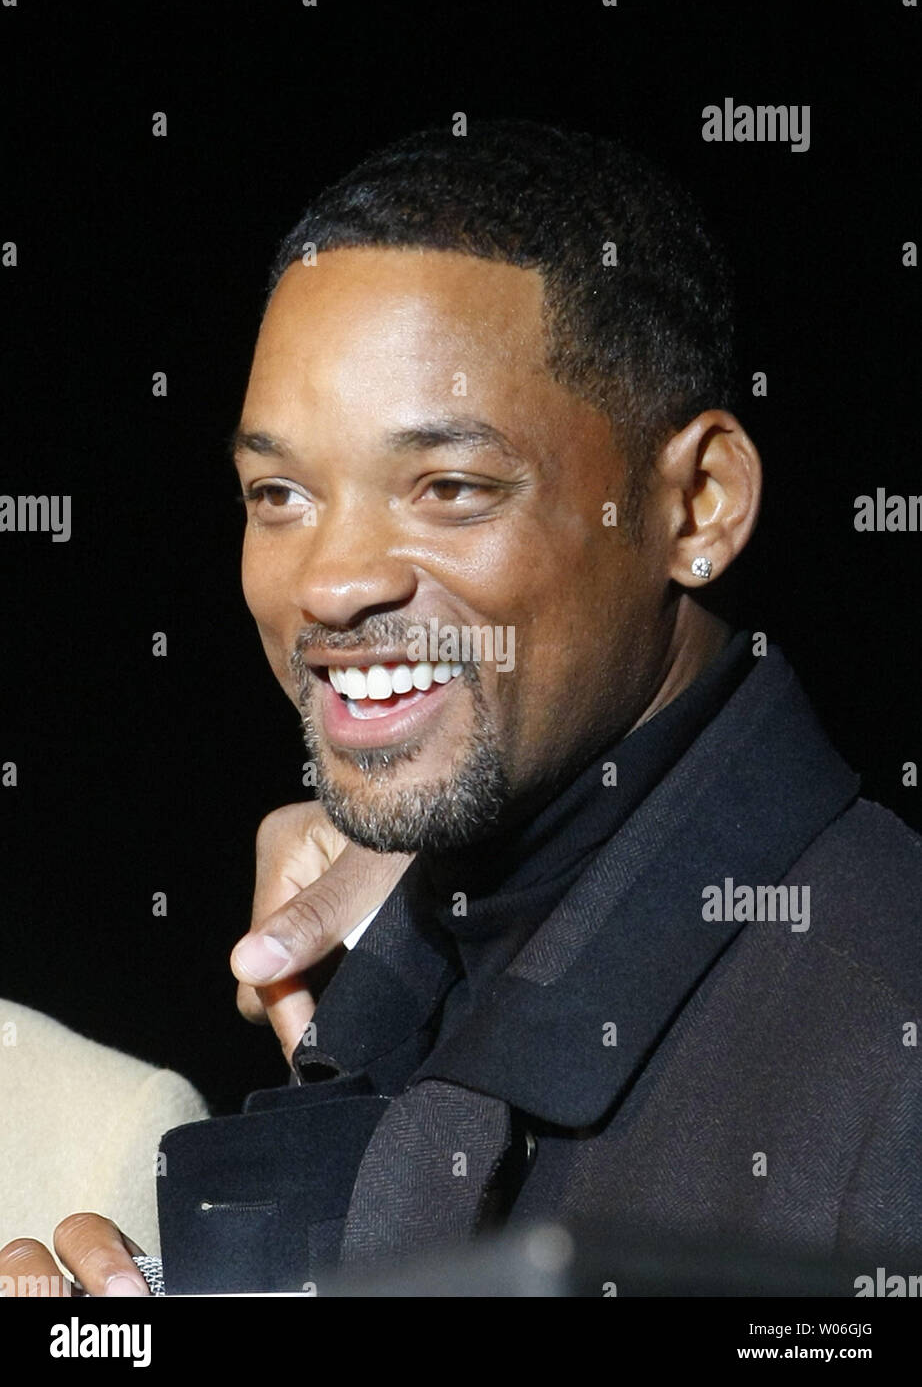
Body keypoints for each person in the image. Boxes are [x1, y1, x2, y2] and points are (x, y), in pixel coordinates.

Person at [4, 120, 921, 1296]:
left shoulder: (882, 1047)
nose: (330, 583)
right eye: (278, 491)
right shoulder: (387, 973)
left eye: (448, 488)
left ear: (696, 505)